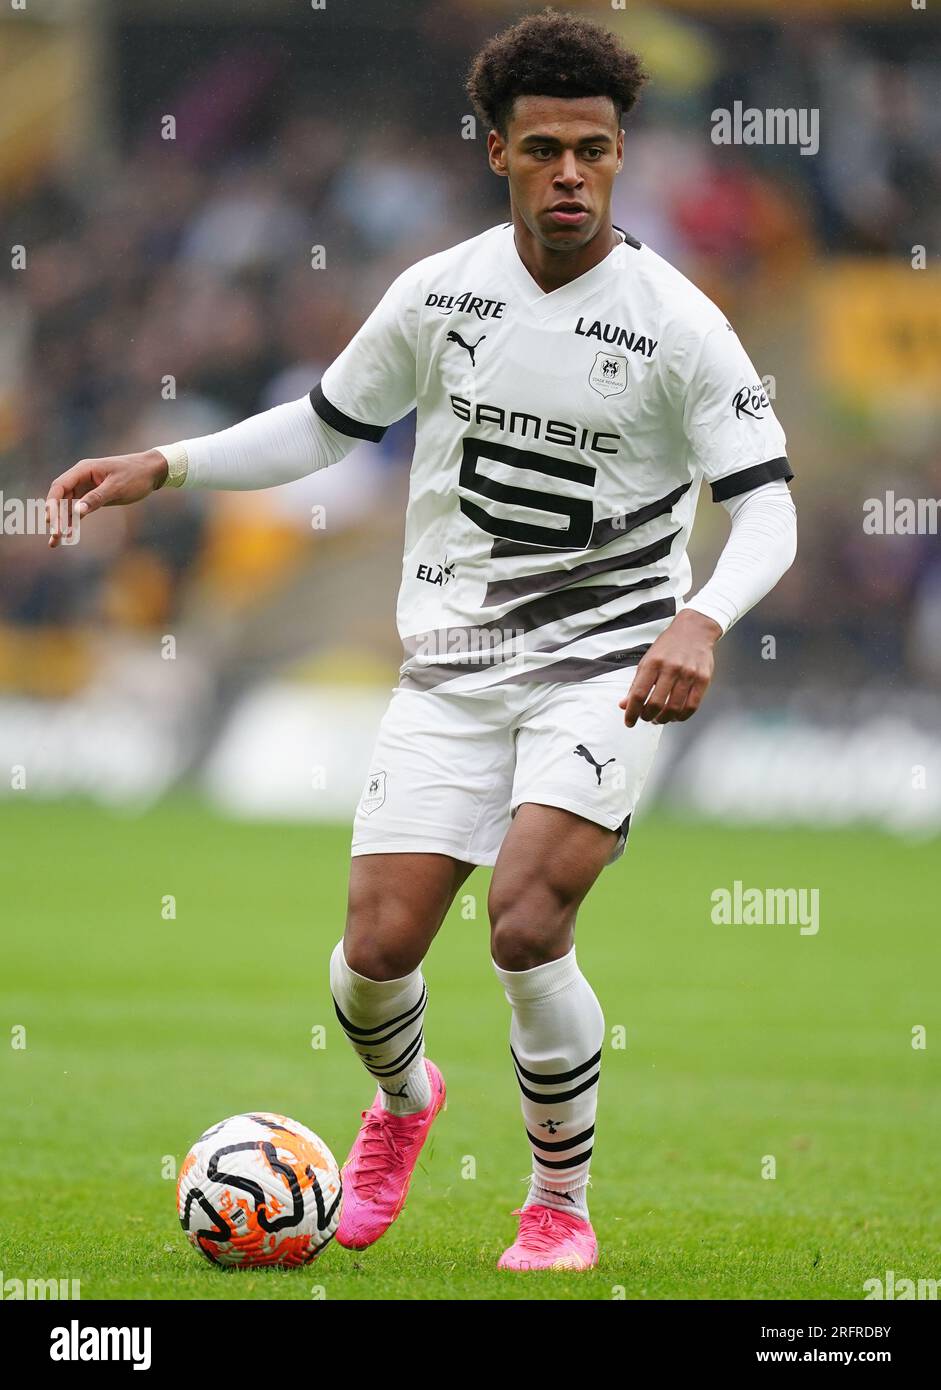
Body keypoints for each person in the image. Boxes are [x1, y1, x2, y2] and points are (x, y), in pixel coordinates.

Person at [46, 9, 796, 1271]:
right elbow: (328, 425)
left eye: (595, 151)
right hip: (449, 670)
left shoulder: (679, 322)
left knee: (522, 922)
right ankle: (404, 1105)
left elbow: (768, 503)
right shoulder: (438, 290)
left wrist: (701, 615)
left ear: (620, 155)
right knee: (375, 953)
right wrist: (165, 464)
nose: (571, 174)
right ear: (495, 150)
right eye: (546, 148)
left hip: (608, 668)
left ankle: (556, 1202)